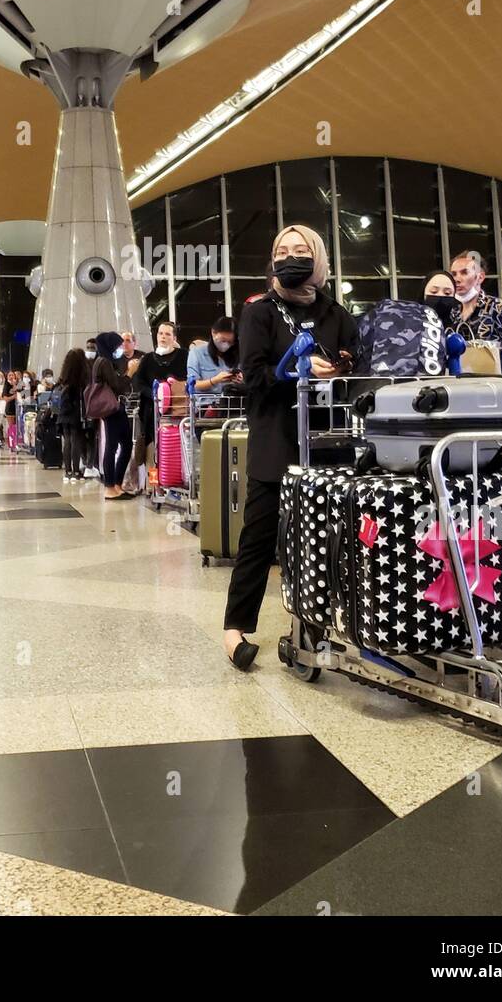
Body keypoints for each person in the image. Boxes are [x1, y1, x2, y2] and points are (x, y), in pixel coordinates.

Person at [223, 224, 358, 671]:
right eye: (282, 250)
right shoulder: (260, 311)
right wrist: (294, 372)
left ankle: (315, 623)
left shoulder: (336, 314)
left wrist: (336, 371)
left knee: (321, 538)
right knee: (260, 535)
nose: (291, 257)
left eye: (302, 250)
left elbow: (354, 366)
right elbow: (253, 376)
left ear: (318, 258)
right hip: (275, 436)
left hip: (326, 443)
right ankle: (235, 629)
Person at [449, 250, 502, 364]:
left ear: (480, 277)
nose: (457, 279)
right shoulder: (454, 313)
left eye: (464, 273)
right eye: (454, 274)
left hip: (495, 378)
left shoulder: (499, 308)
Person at [89, 332, 136, 500]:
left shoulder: (105, 361)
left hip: (116, 409)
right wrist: (130, 372)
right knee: (112, 446)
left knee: (125, 445)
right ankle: (110, 486)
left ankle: (116, 484)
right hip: (112, 410)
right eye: (117, 345)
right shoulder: (104, 363)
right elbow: (118, 386)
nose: (120, 349)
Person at [133, 321, 190, 453]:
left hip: (177, 410)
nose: (163, 337)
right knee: (153, 450)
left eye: (167, 334)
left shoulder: (184, 355)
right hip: (151, 410)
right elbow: (138, 382)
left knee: (175, 448)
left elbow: (189, 378)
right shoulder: (147, 358)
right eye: (160, 333)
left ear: (174, 338)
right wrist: (154, 394)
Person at [187, 316, 242, 402]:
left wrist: (241, 380)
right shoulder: (196, 353)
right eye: (223, 340)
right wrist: (215, 380)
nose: (226, 345)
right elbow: (194, 385)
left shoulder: (238, 354)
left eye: (230, 342)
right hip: (205, 407)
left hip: (233, 405)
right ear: (213, 333)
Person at [57, 348, 89, 482]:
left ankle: (67, 471)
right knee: (76, 440)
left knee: (67, 441)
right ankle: (76, 471)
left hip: (64, 413)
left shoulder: (63, 378)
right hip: (75, 412)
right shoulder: (80, 379)